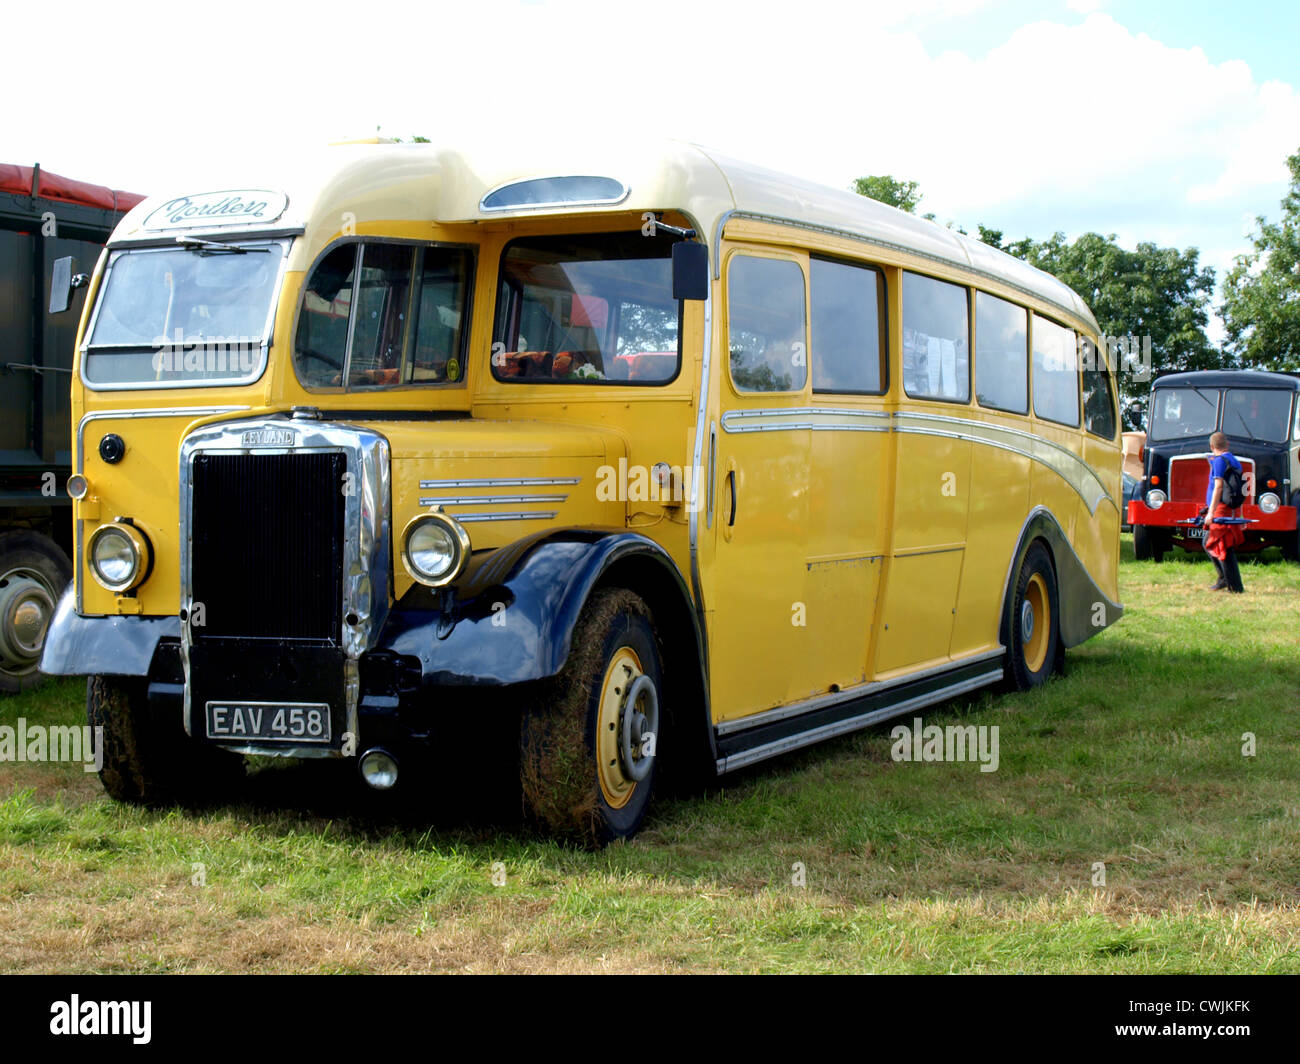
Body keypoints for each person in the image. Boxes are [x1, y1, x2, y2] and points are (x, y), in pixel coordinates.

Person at [1202, 431, 1246, 593]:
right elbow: (1239, 488)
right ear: (1226, 445)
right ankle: (1224, 579)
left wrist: (1211, 513)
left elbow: (1218, 487)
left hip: (1220, 509)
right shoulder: (1234, 461)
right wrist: (1239, 514)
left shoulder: (1219, 461)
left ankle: (1235, 587)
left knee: (1221, 545)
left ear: (1212, 446)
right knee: (1211, 543)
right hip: (1229, 508)